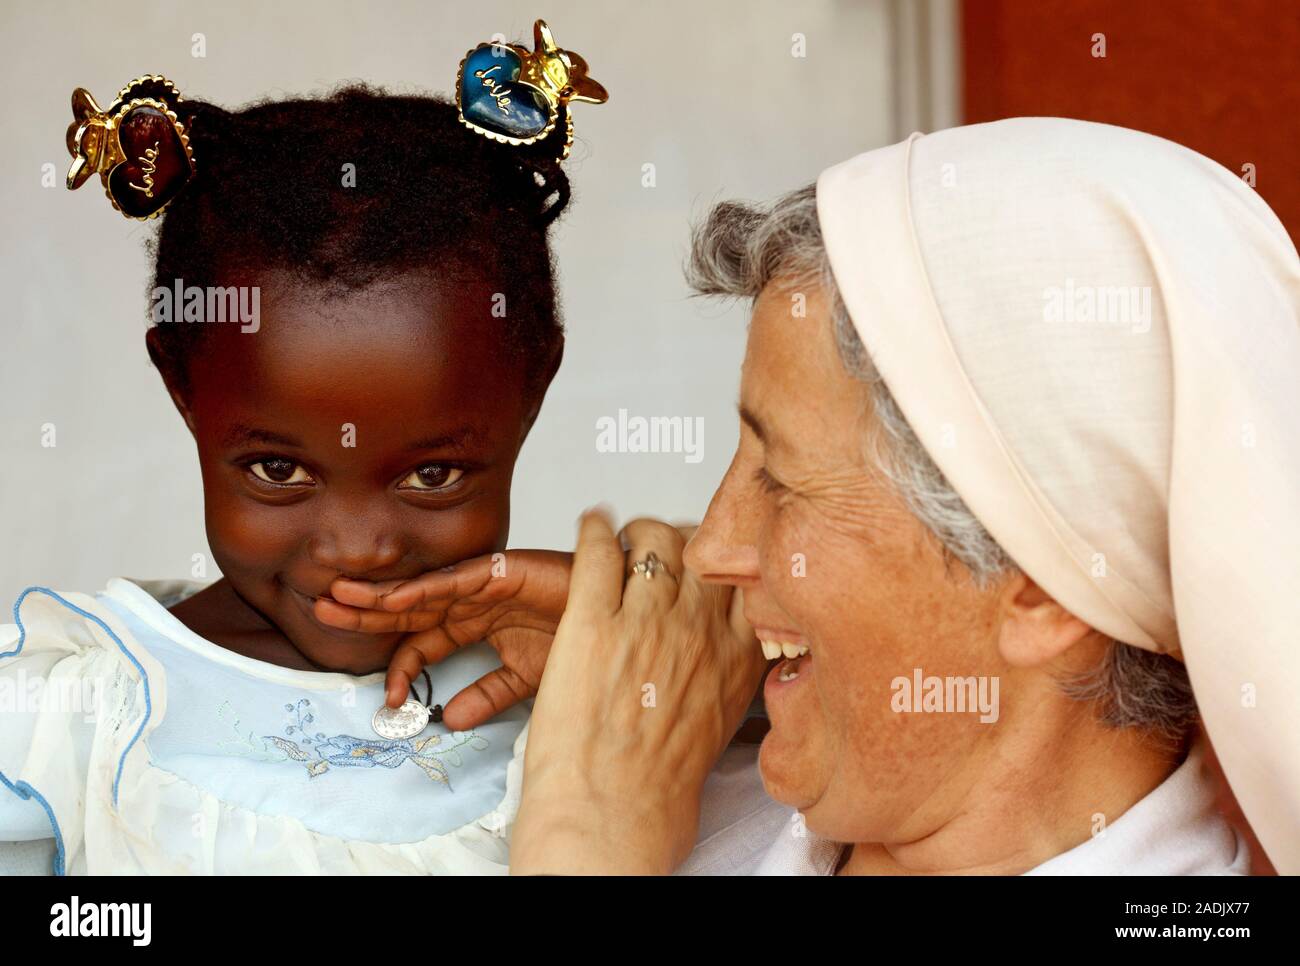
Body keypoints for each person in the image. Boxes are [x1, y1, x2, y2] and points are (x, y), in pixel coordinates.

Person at [326, 117, 1299, 875]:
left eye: (779, 479)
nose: (709, 545)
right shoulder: (706, 781)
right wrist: (690, 669)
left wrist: (588, 839)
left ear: (1041, 588)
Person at [0, 22, 610, 874]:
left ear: (534, 390)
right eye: (278, 470)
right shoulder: (75, 721)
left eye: (432, 474)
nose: (358, 548)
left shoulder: (596, 688)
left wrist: (641, 618)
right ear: (183, 391)